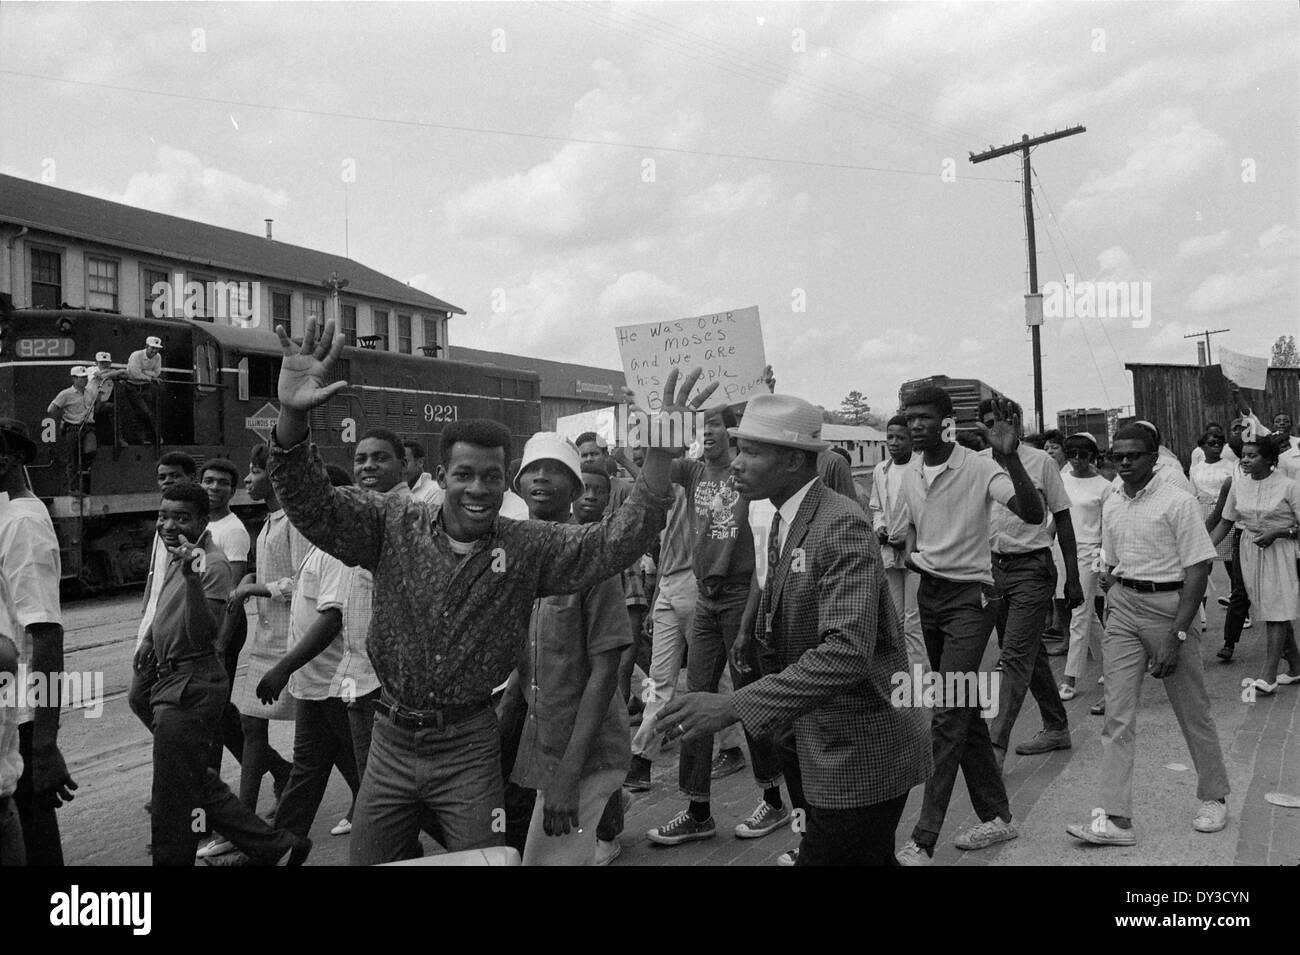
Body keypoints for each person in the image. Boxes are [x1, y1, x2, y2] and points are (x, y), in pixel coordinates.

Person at [268, 317, 687, 864]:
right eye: (465, 475)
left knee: (484, 862)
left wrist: (658, 454)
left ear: (504, 478)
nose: (479, 489)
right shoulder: (390, 524)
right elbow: (311, 504)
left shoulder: (529, 547)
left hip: (468, 747)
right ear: (443, 474)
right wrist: (292, 416)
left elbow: (614, 543)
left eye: (491, 477)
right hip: (389, 742)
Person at [658, 393, 932, 865]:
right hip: (821, 747)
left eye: (752, 452)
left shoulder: (840, 523)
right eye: (739, 449)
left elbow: (846, 653)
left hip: (859, 756)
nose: (737, 464)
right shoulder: (786, 517)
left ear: (791, 461)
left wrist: (734, 704)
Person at [890, 388, 1044, 865]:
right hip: (930, 595)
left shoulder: (979, 465)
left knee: (947, 713)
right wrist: (912, 557)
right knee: (963, 707)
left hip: (971, 600)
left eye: (924, 418)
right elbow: (909, 532)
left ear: (946, 421)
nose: (915, 426)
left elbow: (1032, 513)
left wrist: (1010, 456)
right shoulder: (909, 471)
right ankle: (998, 817)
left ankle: (923, 838)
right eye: (908, 418)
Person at [1067, 424, 1230, 847]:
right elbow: (1114, 556)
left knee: (1192, 710)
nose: (1123, 463)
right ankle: (1116, 819)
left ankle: (1214, 796)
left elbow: (1198, 569)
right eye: (1117, 456)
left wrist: (1176, 633)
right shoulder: (1113, 501)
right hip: (1123, 607)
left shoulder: (1178, 502)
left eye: (1133, 455)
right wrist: (1111, 579)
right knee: (1118, 715)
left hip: (1169, 610)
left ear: (1153, 456)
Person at [130, 483, 307, 866]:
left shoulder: (210, 565)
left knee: (173, 794)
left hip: (191, 685)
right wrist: (149, 640)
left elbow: (203, 632)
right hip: (172, 681)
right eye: (164, 515)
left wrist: (193, 578)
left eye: (182, 517)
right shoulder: (179, 557)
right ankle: (278, 846)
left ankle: (273, 845)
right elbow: (166, 610)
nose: (169, 524)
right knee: (193, 782)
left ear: (202, 520)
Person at [646, 403, 792, 847]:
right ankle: (697, 811)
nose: (707, 433)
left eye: (714, 425)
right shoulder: (693, 473)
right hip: (705, 600)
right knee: (693, 700)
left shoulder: (748, 476)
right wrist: (655, 419)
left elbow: (765, 557)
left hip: (739, 599)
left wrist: (748, 627)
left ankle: (774, 798)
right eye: (699, 427)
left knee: (748, 700)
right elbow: (642, 461)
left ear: (731, 431)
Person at [508, 441, 631, 865]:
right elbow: (524, 658)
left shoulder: (593, 558)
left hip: (585, 757)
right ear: (518, 483)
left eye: (555, 469)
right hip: (544, 746)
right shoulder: (513, 558)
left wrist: (569, 776)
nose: (542, 476)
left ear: (577, 488)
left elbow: (605, 671)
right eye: (533, 469)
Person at [249, 463, 364, 863]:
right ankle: (281, 850)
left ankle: (437, 846)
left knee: (378, 784)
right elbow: (300, 593)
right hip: (315, 686)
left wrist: (282, 668)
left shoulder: (338, 551)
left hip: (335, 685)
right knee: (306, 773)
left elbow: (331, 619)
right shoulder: (317, 544)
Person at [978, 399, 1081, 768]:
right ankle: (1057, 726)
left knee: (1012, 658)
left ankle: (995, 747)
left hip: (1033, 569)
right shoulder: (977, 465)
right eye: (989, 423)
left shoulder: (1042, 462)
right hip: (993, 570)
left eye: (1004, 422)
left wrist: (1072, 578)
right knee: (1028, 652)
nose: (998, 428)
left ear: (1018, 425)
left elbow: (1064, 520)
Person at [0, 418, 77, 867]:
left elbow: (45, 633)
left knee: (34, 841)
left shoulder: (22, 523)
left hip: (22, 716)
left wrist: (46, 745)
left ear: (7, 459)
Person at [1208, 433, 1300, 693]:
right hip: (1249, 550)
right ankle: (1295, 665)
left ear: (1270, 459)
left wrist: (1280, 533)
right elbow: (1226, 521)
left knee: (1277, 610)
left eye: (1252, 455)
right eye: (1243, 456)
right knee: (1269, 608)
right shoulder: (1239, 485)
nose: (1245, 460)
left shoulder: (1289, 486)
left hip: (1281, 551)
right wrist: (1203, 552)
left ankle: (1269, 676)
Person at [869, 415, 925, 671]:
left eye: (900, 438)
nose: (893, 442)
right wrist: (879, 528)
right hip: (889, 553)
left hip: (915, 552)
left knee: (914, 620)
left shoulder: (921, 468)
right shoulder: (881, 470)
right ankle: (900, 670)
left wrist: (909, 538)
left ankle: (919, 675)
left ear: (912, 440)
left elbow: (927, 512)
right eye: (890, 437)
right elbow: (877, 508)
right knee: (896, 617)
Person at [1058, 433, 1110, 708]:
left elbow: (1107, 530)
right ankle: (1109, 666)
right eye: (1071, 453)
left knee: (1079, 615)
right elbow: (1054, 517)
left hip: (1090, 554)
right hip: (1062, 550)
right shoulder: (1061, 478)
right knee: (1086, 615)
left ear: (1093, 456)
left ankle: (1070, 678)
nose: (1076, 460)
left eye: (1083, 454)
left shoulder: (1105, 487)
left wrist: (1102, 563)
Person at [46, 365, 95, 493]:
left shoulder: (90, 392)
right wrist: (65, 418)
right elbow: (51, 409)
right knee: (72, 458)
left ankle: (85, 482)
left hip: (88, 427)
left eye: (85, 378)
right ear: (74, 379)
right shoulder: (66, 394)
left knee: (91, 451)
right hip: (73, 428)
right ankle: (73, 488)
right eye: (81, 378)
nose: (84, 380)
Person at [124, 335, 164, 445]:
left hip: (146, 387)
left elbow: (157, 373)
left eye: (157, 349)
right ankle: (154, 437)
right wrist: (149, 377)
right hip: (132, 387)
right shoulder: (136, 355)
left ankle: (144, 439)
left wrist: (143, 372)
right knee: (144, 411)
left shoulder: (158, 357)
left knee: (146, 413)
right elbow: (134, 374)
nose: (155, 351)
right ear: (146, 346)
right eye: (152, 348)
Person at [86, 352, 126, 451]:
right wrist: (119, 371)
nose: (104, 365)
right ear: (96, 363)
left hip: (101, 403)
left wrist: (120, 376)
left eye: (107, 363)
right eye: (102, 363)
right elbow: (101, 376)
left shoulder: (112, 373)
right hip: (88, 404)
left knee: (114, 408)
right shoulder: (91, 370)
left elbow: (127, 375)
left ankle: (119, 438)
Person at [403, 439, 444, 508]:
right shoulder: (396, 492)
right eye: (398, 463)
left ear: (420, 462)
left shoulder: (435, 492)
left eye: (405, 462)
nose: (401, 469)